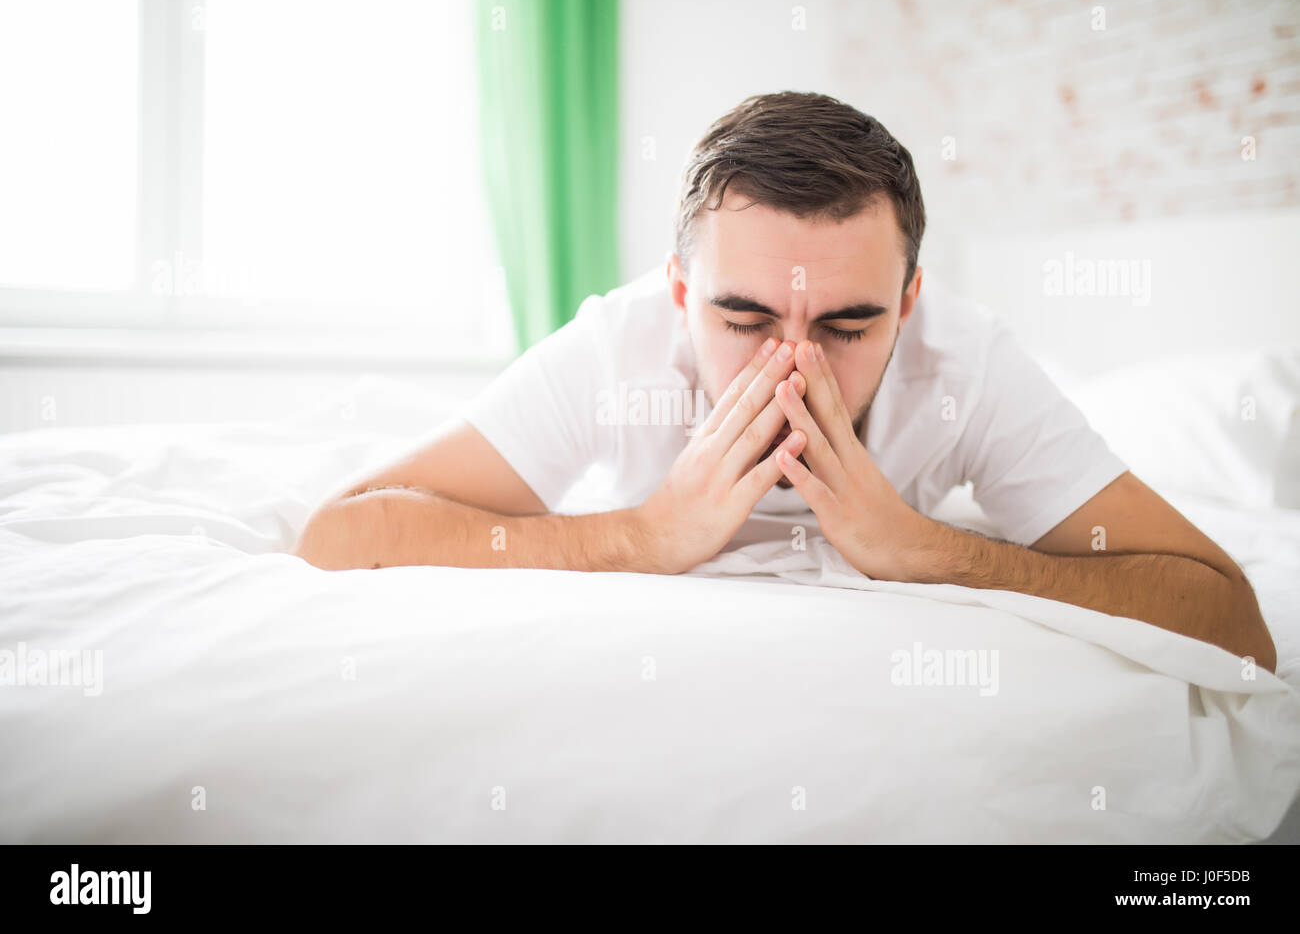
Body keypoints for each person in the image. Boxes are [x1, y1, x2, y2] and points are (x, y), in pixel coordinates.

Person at [293, 91, 1276, 673]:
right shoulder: (619, 346)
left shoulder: (967, 365)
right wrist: (638, 534)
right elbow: (344, 529)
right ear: (679, 292)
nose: (791, 365)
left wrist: (929, 548)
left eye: (849, 324)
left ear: (911, 299)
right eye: (742, 317)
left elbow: (1230, 616)